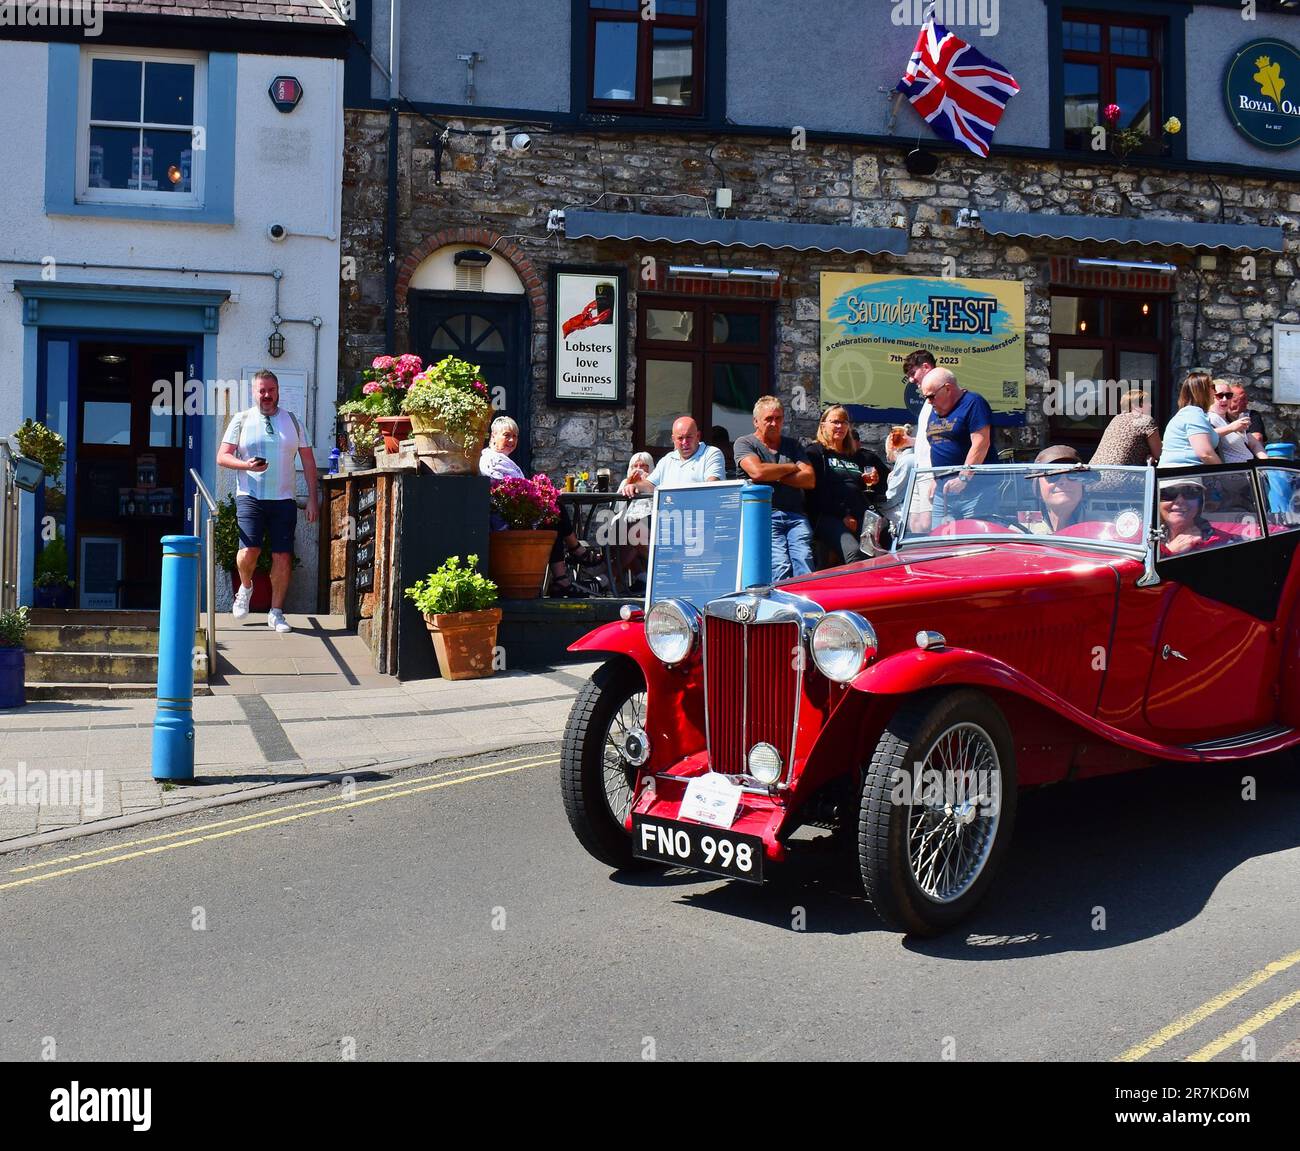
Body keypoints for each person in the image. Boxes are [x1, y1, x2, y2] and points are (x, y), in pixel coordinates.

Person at [218, 369, 318, 634]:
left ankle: (276, 612)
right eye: (261, 390)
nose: (266, 395)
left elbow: (308, 461)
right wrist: (245, 464)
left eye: (270, 390)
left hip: (284, 499)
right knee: (249, 551)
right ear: (253, 392)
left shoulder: (293, 421)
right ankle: (246, 587)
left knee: (282, 557)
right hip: (250, 496)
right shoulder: (241, 419)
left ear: (278, 391)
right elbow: (222, 456)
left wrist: (312, 499)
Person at [479, 415, 602, 598]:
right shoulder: (492, 460)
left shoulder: (501, 459)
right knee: (554, 511)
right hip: (504, 521)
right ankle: (575, 552)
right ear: (493, 436)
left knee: (552, 518)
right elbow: (508, 491)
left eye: (515, 436)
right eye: (507, 435)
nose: (512, 440)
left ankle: (562, 578)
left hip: (513, 514)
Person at [734, 396, 815, 579]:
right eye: (768, 419)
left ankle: (805, 604)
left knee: (804, 560)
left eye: (778, 418)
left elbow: (809, 479)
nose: (774, 423)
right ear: (756, 421)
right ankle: (782, 607)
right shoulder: (745, 443)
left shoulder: (792, 445)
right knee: (780, 564)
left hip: (795, 515)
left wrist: (774, 475)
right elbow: (757, 472)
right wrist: (791, 467)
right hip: (764, 515)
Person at [806, 406, 887, 565]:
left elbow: (869, 492)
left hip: (861, 515)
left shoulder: (856, 456)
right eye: (835, 422)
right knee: (854, 552)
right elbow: (815, 492)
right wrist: (843, 515)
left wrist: (874, 482)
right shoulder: (815, 452)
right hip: (828, 515)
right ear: (823, 425)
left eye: (844, 422)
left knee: (886, 547)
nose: (840, 426)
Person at [920, 367, 992, 520]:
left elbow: (981, 443)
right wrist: (936, 478)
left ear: (947, 388)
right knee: (940, 541)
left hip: (974, 491)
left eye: (931, 396)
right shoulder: (935, 410)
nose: (928, 401)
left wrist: (964, 478)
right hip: (944, 493)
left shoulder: (973, 402)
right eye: (926, 397)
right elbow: (937, 445)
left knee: (973, 541)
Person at [619, 416, 724, 495]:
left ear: (698, 436)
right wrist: (634, 486)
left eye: (689, 437)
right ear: (673, 439)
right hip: (670, 517)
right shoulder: (667, 459)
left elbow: (712, 486)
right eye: (680, 438)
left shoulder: (711, 453)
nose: (684, 442)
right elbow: (650, 485)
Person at [1159, 371, 1237, 467]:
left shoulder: (1193, 413)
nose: (1215, 391)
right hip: (1184, 477)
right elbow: (1206, 454)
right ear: (1202, 391)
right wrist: (1225, 474)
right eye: (1212, 387)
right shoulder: (1193, 414)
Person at [1090, 387, 1162, 466]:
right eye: (1147, 402)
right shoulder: (1145, 420)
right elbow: (1159, 454)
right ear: (1135, 405)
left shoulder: (1116, 419)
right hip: (1121, 474)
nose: (1150, 405)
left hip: (1095, 471)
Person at [1159, 477, 1229, 555]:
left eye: (1189, 492)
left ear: (1201, 501)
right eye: (1167, 493)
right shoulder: (1145, 537)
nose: (1180, 501)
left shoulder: (1222, 543)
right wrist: (1169, 552)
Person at [1030, 444, 1087, 533]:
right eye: (1053, 475)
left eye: (1073, 474)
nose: (1064, 481)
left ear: (1082, 485)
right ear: (1037, 487)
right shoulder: (1021, 530)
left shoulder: (1104, 527)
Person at [1209, 379, 1266, 463]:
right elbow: (1204, 435)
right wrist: (1231, 428)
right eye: (1220, 396)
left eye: (1228, 395)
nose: (1224, 399)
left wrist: (1266, 463)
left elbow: (1254, 444)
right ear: (1211, 396)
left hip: (1249, 469)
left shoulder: (1231, 419)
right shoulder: (1208, 418)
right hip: (1233, 472)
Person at [903, 349, 936, 470]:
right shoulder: (927, 403)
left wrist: (963, 477)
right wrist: (910, 441)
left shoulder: (948, 400)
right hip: (922, 473)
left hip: (937, 476)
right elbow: (932, 440)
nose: (911, 380)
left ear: (926, 367)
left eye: (913, 373)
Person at [1228, 384, 1268, 454]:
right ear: (1232, 400)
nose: (1246, 402)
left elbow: (1257, 438)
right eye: (1243, 399)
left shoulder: (1252, 415)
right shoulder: (1219, 417)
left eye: (1246, 399)